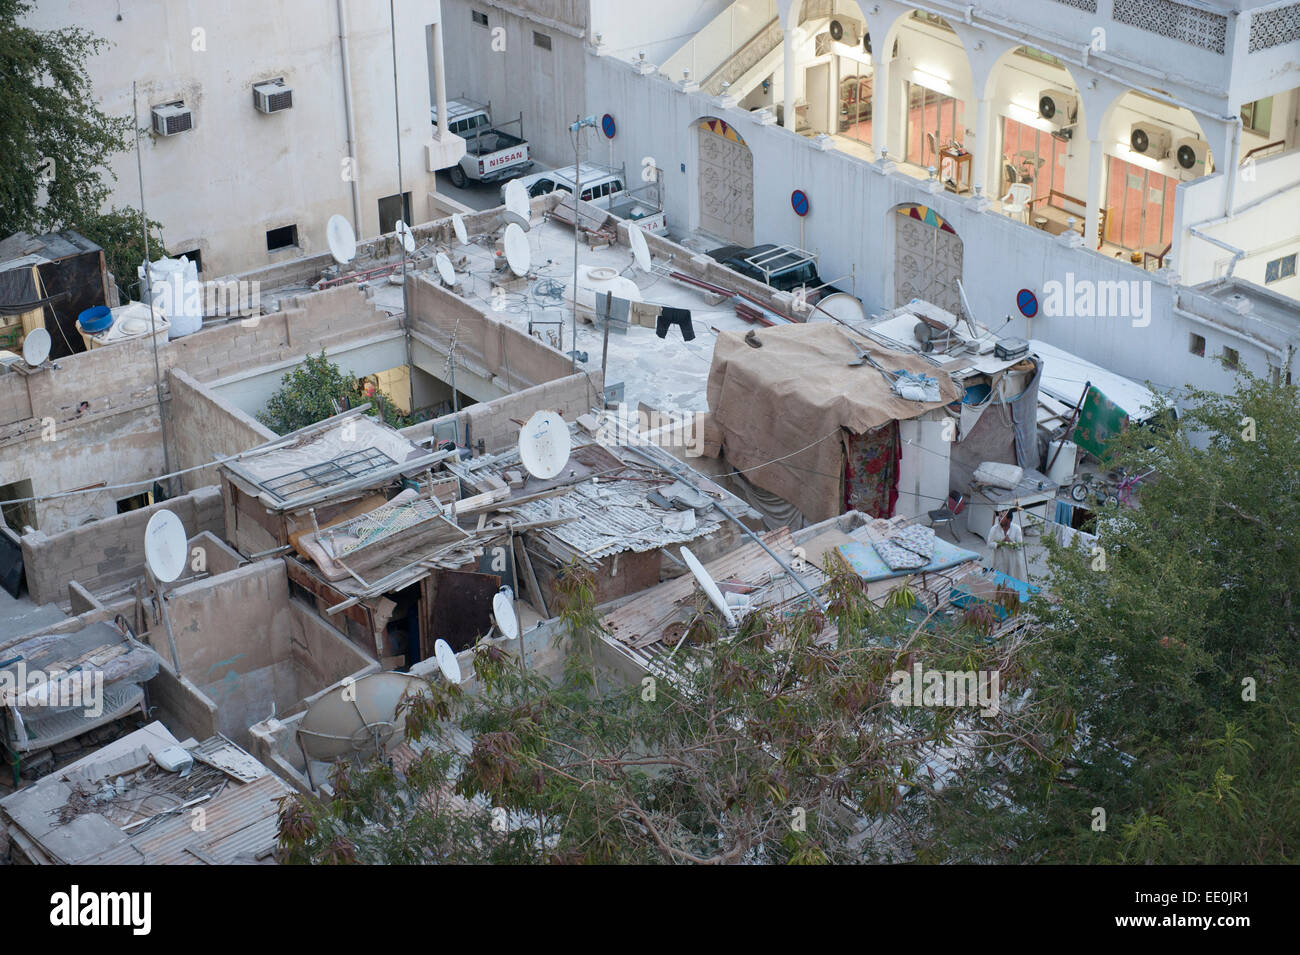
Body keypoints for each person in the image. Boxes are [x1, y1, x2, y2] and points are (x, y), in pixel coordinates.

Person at [985, 508, 1029, 581]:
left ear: (1009, 520)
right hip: (999, 560)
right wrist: (1000, 543)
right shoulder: (994, 529)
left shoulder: (1016, 529)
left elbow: (1020, 547)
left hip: (1013, 562)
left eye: (1002, 517)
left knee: (1012, 581)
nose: (999, 519)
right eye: (999, 517)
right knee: (999, 581)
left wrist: (1010, 541)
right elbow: (989, 544)